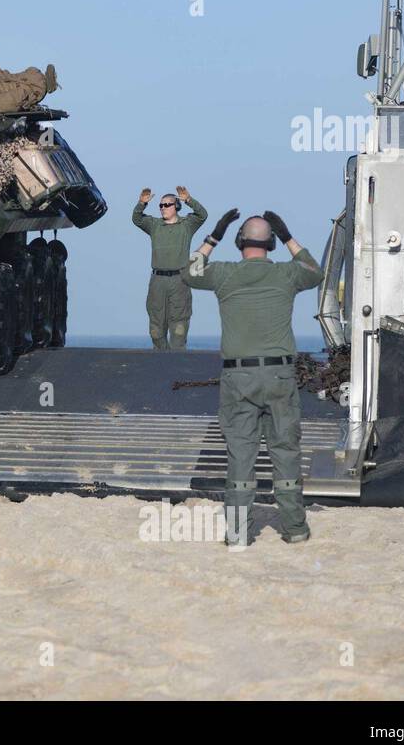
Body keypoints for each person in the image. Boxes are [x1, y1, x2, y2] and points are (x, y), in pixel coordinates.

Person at [182, 210, 324, 547]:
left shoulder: (224, 274)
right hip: (279, 374)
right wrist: (289, 236)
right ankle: (295, 530)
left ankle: (238, 534)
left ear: (239, 242)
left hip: (239, 376)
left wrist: (212, 236)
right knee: (285, 451)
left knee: (240, 455)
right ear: (271, 243)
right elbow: (315, 273)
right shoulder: (287, 274)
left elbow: (189, 273)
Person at [131, 186, 208, 349]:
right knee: (156, 330)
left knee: (179, 330)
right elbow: (136, 219)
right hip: (157, 281)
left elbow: (203, 215)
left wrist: (188, 200)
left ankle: (177, 366)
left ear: (176, 207)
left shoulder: (187, 225)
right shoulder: (154, 225)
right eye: (161, 205)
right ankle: (161, 364)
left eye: (167, 205)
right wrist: (141, 203)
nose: (163, 208)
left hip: (179, 281)